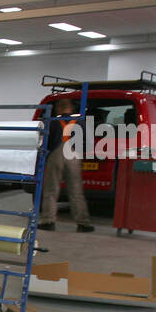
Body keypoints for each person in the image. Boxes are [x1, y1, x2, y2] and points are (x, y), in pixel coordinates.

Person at [40, 97, 94, 232]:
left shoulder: (52, 122)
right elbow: (88, 143)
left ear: (58, 108)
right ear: (71, 108)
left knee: (51, 190)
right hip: (74, 155)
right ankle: (83, 224)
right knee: (76, 191)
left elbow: (45, 142)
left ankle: (48, 221)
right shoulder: (81, 122)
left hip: (56, 154)